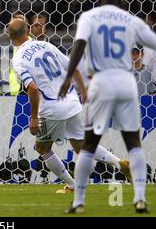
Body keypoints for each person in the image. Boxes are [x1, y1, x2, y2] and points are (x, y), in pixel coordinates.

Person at [58, 0, 156, 214]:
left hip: (101, 81)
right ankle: (139, 198)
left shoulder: (89, 17)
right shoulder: (132, 20)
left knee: (88, 144)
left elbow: (78, 45)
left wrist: (68, 77)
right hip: (126, 82)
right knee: (133, 143)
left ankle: (78, 201)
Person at [8, 18, 131, 195]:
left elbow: (33, 89)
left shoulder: (18, 59)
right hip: (72, 102)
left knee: (42, 148)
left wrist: (34, 117)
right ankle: (120, 163)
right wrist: (83, 91)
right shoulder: (46, 45)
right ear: (28, 31)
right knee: (81, 145)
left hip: (51, 109)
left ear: (10, 36)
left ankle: (73, 185)